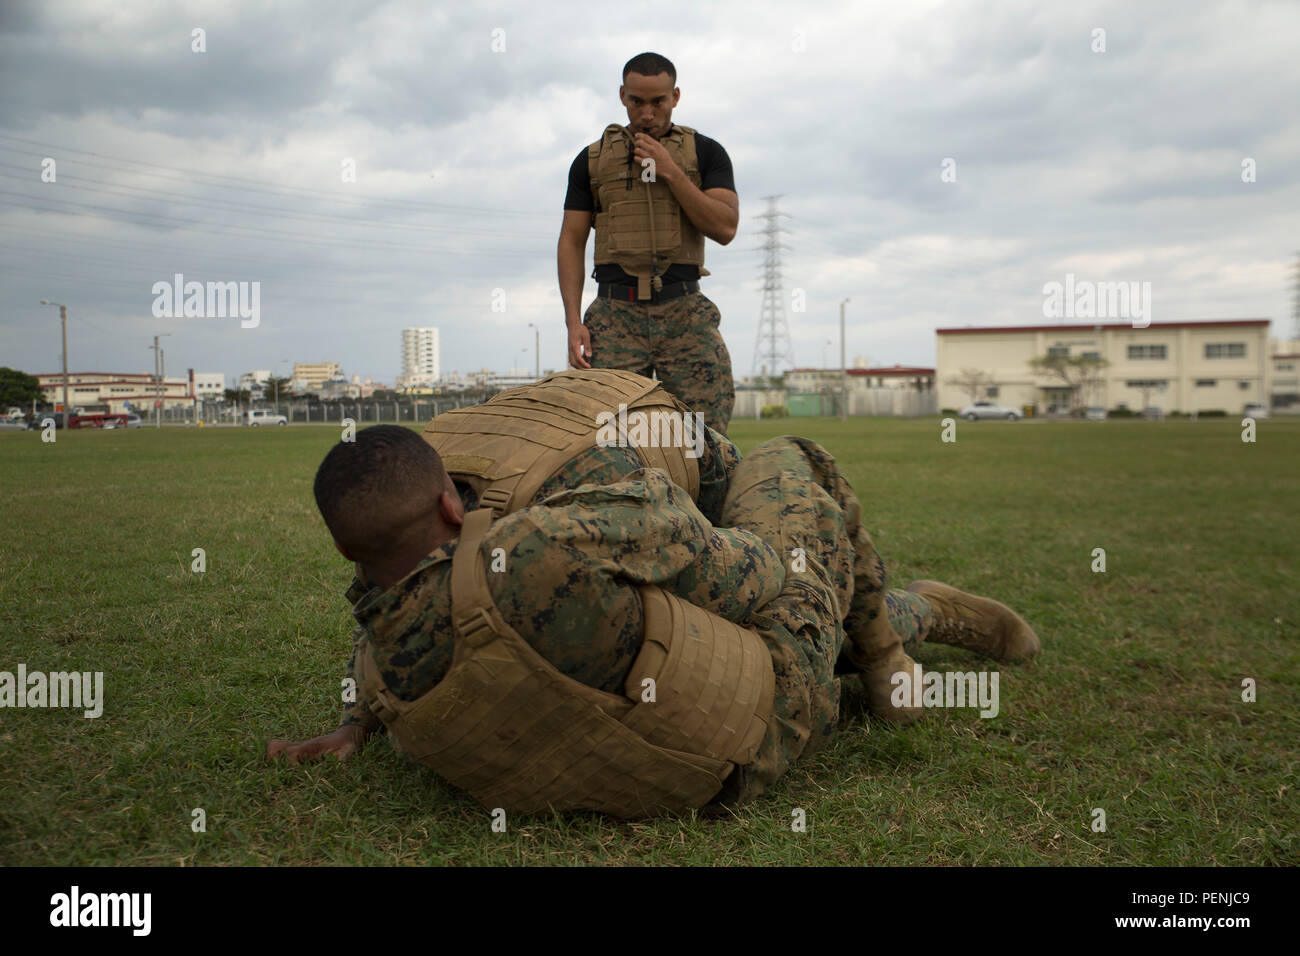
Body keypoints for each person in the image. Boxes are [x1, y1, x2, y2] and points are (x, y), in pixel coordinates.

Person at [268, 425, 1041, 817]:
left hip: (657, 758)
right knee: (787, 465)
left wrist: (354, 725)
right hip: (754, 728)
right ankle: (890, 646)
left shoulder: (382, 651)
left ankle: (903, 623)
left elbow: (371, 650)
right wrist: (792, 567)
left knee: (689, 605)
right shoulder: (536, 548)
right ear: (448, 503)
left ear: (344, 547)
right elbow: (724, 562)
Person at [558, 51, 739, 434]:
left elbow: (725, 228)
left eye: (658, 102)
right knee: (607, 441)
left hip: (685, 312)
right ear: (622, 95)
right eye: (637, 102)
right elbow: (572, 241)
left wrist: (671, 172)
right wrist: (573, 321)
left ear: (675, 96)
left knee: (705, 441)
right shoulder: (591, 161)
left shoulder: (705, 153)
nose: (646, 114)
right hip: (614, 315)